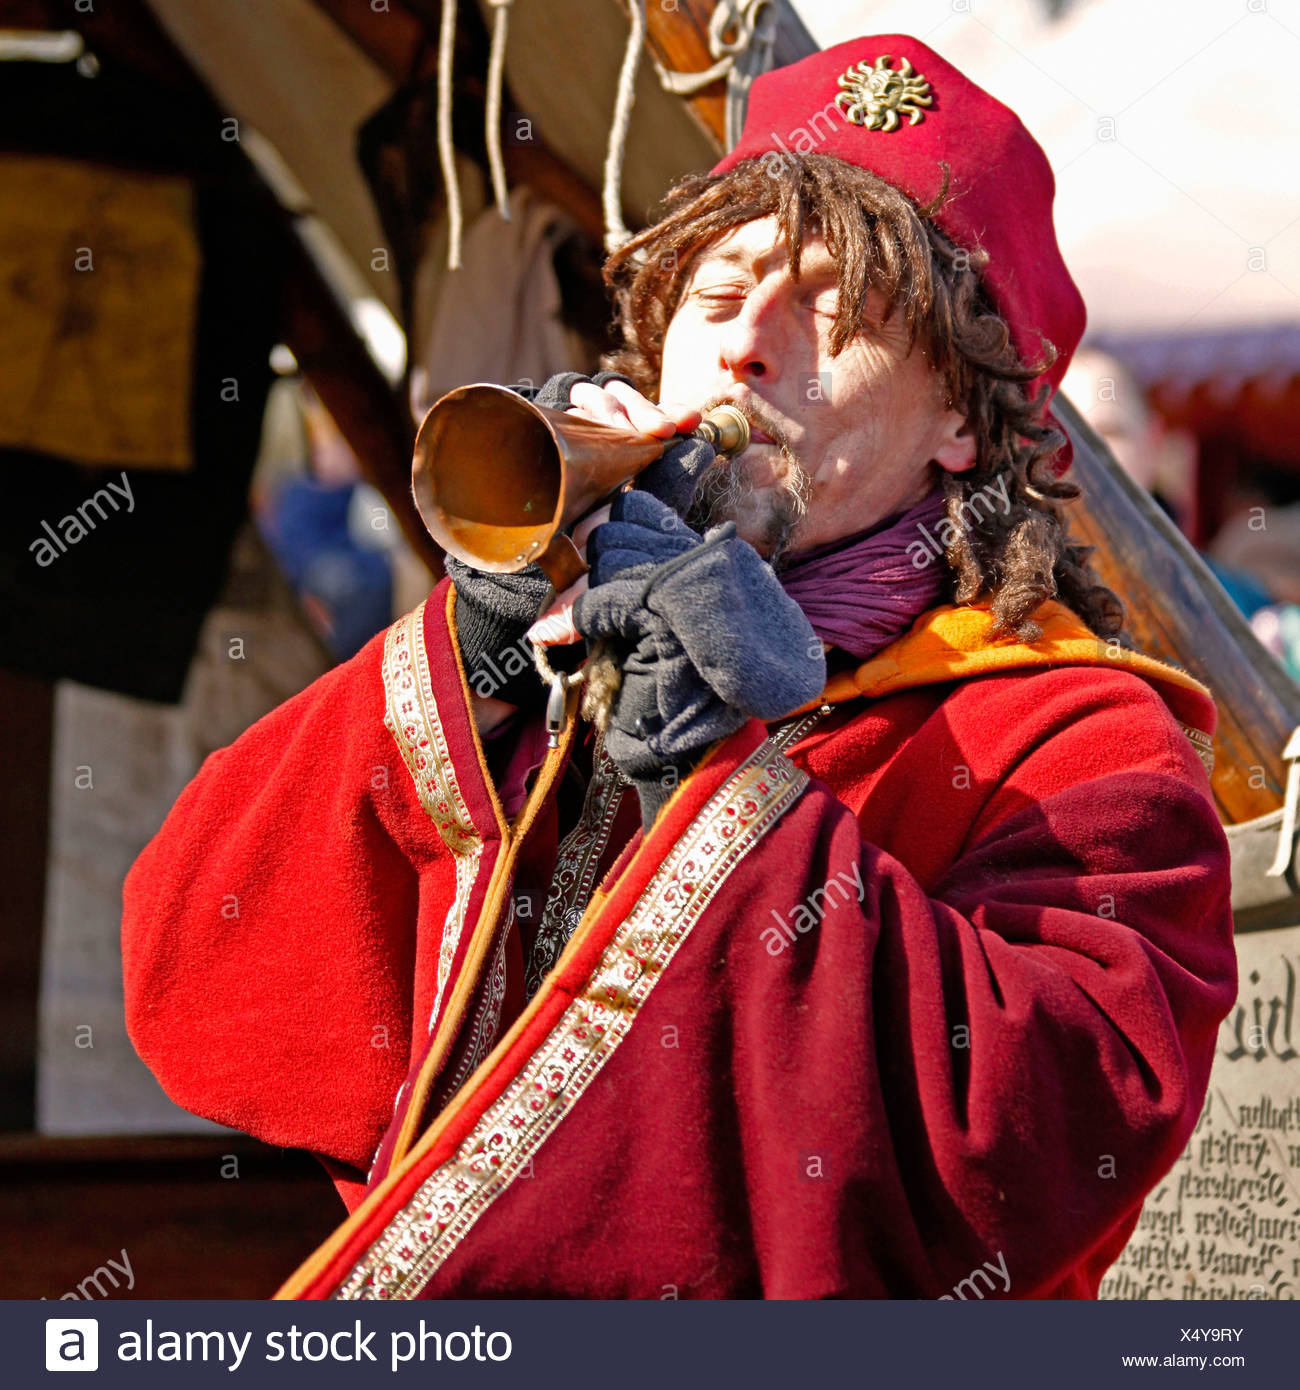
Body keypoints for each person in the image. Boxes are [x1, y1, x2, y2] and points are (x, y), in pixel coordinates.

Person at [122, 36, 1235, 1300]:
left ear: (962, 423)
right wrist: (468, 651)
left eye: (836, 312)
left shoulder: (1084, 738)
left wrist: (713, 776)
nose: (750, 344)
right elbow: (194, 973)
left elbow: (1028, 1149)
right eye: (716, 298)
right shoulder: (560, 651)